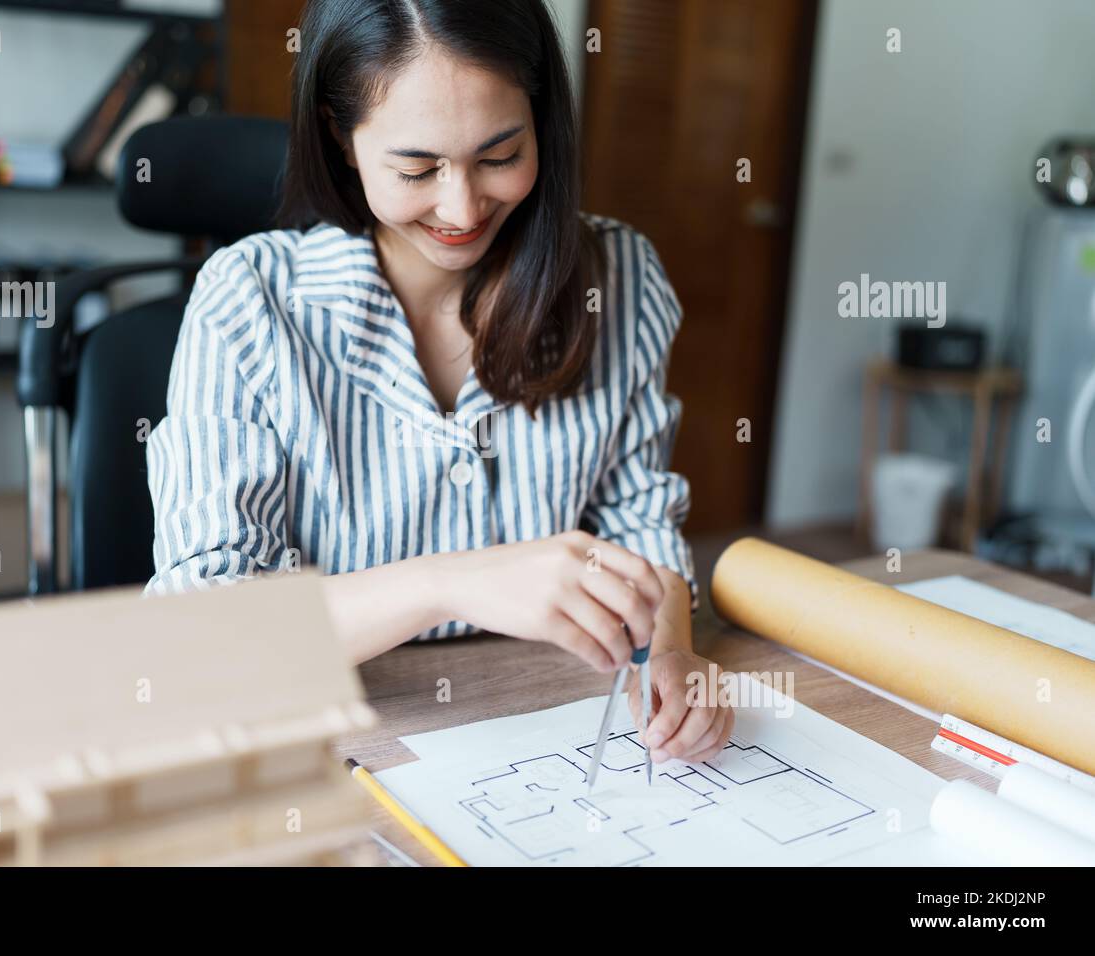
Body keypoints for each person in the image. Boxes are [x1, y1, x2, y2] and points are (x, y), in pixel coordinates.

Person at [146, 0, 733, 765]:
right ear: (341, 137)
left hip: (540, 719)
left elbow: (640, 517)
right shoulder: (249, 299)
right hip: (324, 745)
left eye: (499, 156)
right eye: (416, 168)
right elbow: (200, 632)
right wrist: (450, 583)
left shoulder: (617, 278)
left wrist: (671, 655)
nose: (462, 207)